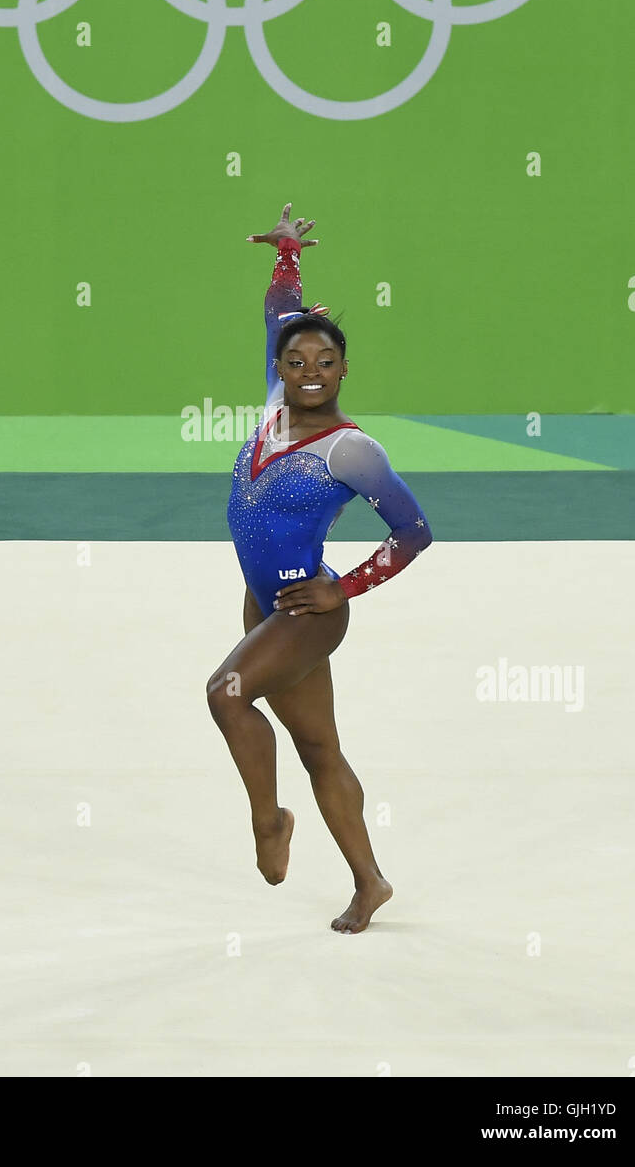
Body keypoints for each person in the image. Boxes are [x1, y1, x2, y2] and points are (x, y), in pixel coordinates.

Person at [206, 203, 433, 934]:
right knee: (317, 746)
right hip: (262, 601)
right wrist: (286, 258)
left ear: (343, 368)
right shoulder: (273, 409)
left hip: (307, 612)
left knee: (227, 693)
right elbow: (280, 308)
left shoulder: (350, 450)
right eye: (296, 360)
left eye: (325, 361)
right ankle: (370, 882)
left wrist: (345, 584)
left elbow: (414, 530)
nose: (310, 372)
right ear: (278, 366)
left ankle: (269, 820)